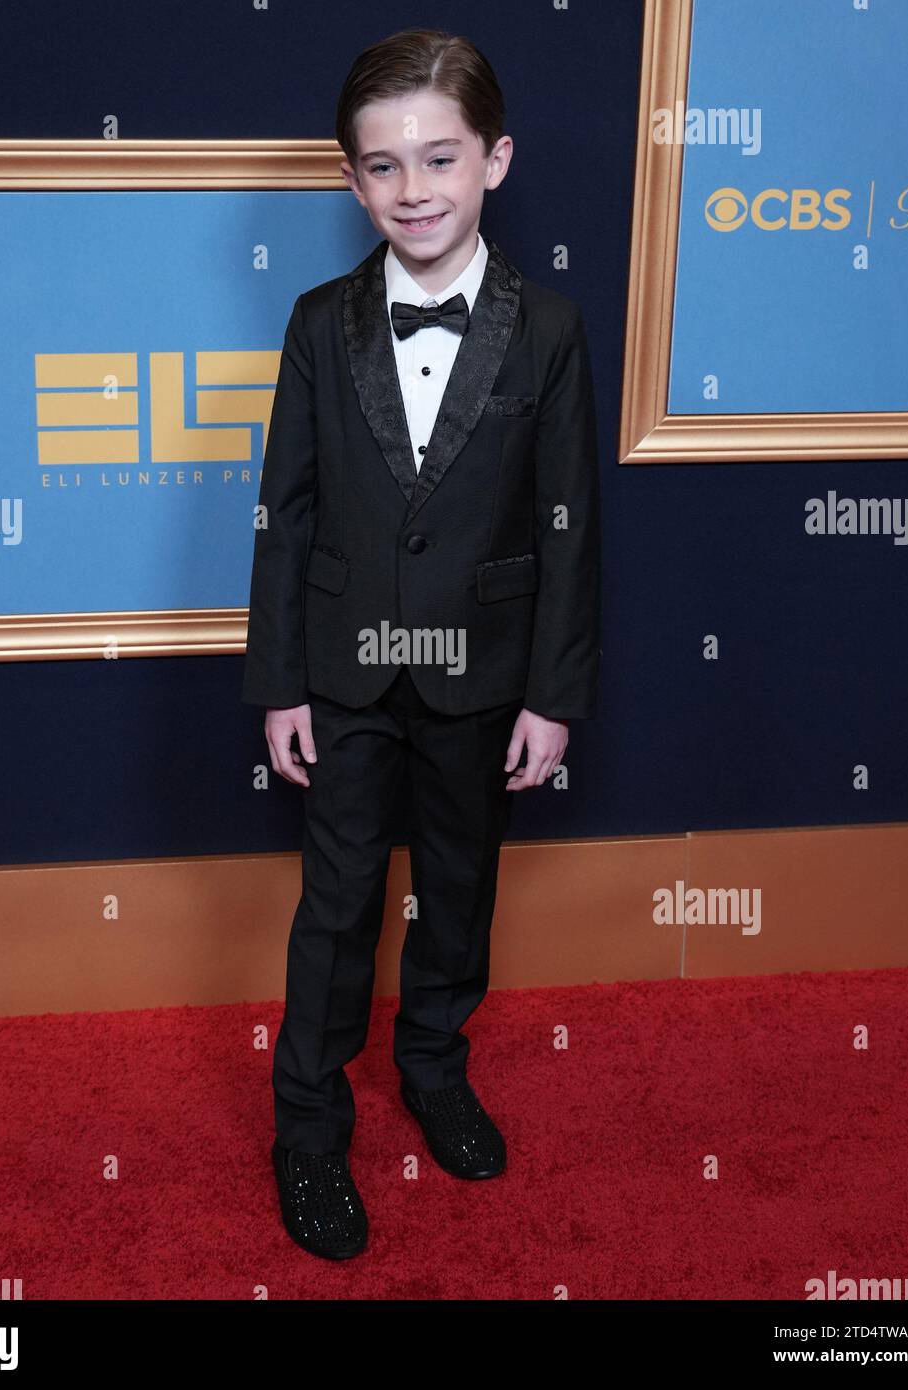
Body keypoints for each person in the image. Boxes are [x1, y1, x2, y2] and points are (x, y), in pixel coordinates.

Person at [242, 26, 601, 1260]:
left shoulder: (547, 329)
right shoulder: (314, 322)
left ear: (493, 160)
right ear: (351, 181)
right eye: (382, 168)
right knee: (336, 906)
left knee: (458, 889)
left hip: (482, 678)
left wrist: (552, 694)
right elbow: (283, 515)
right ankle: (306, 1126)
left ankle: (435, 1068)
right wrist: (278, 680)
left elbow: (568, 526)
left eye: (438, 159)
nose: (414, 192)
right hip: (340, 677)